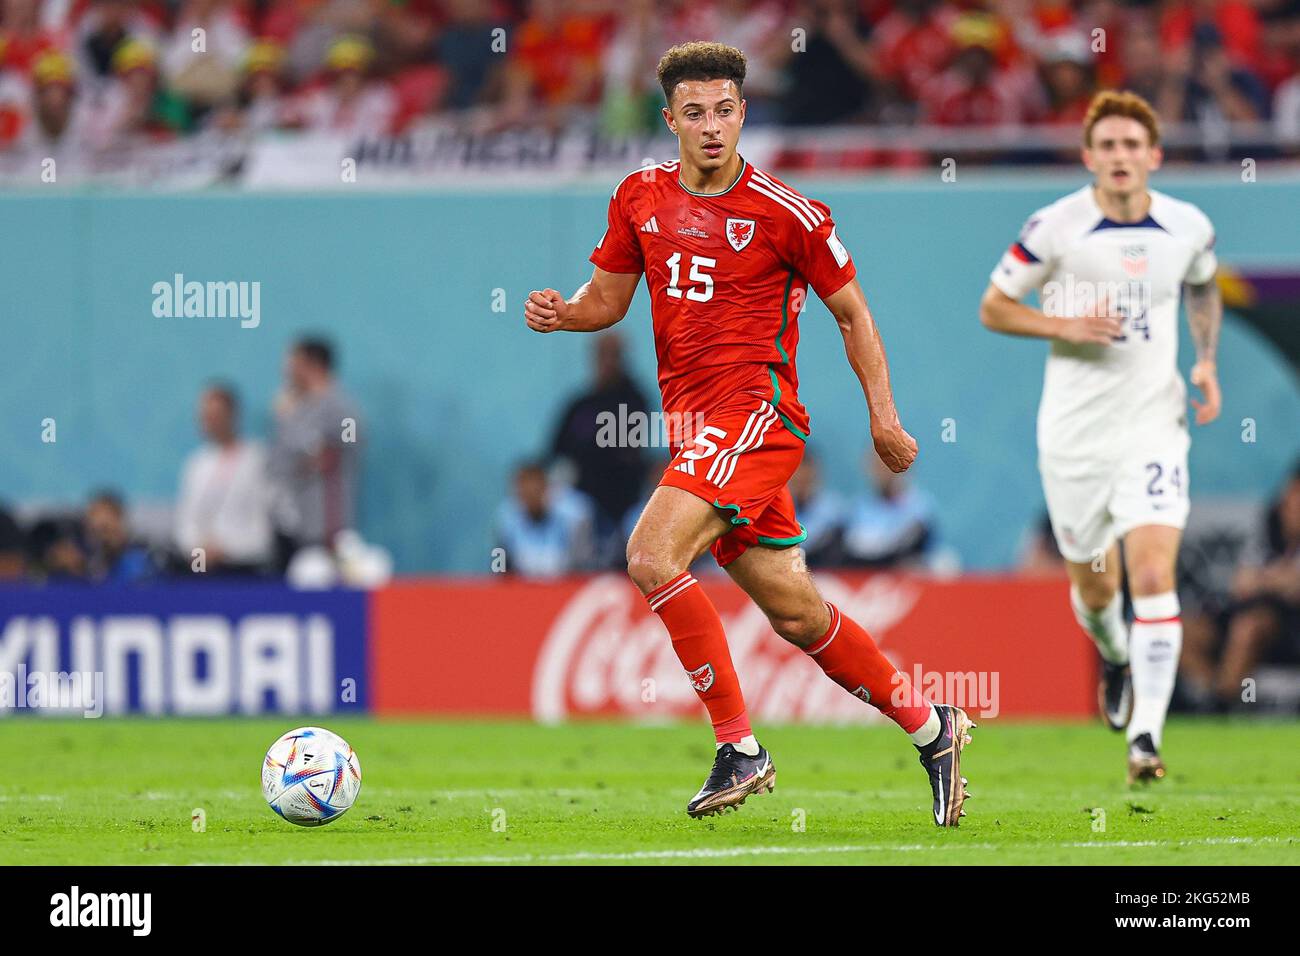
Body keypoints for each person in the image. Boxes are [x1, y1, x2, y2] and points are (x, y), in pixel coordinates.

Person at [525, 42, 974, 826]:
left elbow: (852, 313)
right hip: (697, 433)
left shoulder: (787, 213)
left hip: (756, 421)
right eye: (693, 113)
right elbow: (607, 299)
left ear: (743, 114)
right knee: (796, 614)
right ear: (669, 120)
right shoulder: (638, 196)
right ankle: (934, 728)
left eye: (725, 111)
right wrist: (566, 313)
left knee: (649, 554)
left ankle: (741, 747)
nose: (710, 126)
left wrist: (884, 416)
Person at [980, 90, 1224, 784]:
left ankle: (1145, 736)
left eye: (1131, 146)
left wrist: (1204, 359)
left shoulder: (1188, 226)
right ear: (1089, 158)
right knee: (1095, 589)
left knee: (1152, 573)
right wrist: (1062, 325)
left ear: (1154, 155)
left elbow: (1203, 286)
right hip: (1075, 438)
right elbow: (994, 306)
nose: (1120, 157)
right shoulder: (1055, 227)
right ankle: (1114, 655)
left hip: (1155, 426)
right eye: (1107, 147)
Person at [548, 332, 650, 563]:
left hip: (624, 496)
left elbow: (627, 450)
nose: (607, 361)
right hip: (581, 496)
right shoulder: (580, 404)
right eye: (602, 355)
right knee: (568, 510)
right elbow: (554, 452)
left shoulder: (635, 399)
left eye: (613, 355)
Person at [266, 337, 361, 572]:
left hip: (326, 529)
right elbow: (278, 465)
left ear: (312, 365)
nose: (285, 370)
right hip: (290, 523)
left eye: (292, 362)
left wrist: (318, 449)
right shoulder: (295, 408)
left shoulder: (341, 408)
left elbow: (348, 444)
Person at [174, 383, 273, 575]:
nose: (209, 422)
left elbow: (263, 528)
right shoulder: (196, 464)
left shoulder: (257, 460)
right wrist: (201, 552)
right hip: (201, 564)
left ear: (232, 416)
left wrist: (227, 549)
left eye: (216, 416)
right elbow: (186, 523)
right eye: (205, 416)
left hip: (245, 566)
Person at [494, 460, 594, 578]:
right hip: (523, 590)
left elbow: (584, 565)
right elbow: (499, 567)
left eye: (534, 490)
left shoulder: (571, 518)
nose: (530, 496)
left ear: (545, 488)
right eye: (524, 491)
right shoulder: (507, 521)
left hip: (564, 588)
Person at [842, 451, 936, 569]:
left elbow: (909, 549)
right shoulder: (856, 508)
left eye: (887, 460)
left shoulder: (920, 509)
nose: (882, 468)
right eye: (877, 462)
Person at [84, 491, 156, 584]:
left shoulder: (139, 558)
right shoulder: (91, 560)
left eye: (104, 528)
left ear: (119, 519)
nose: (96, 526)